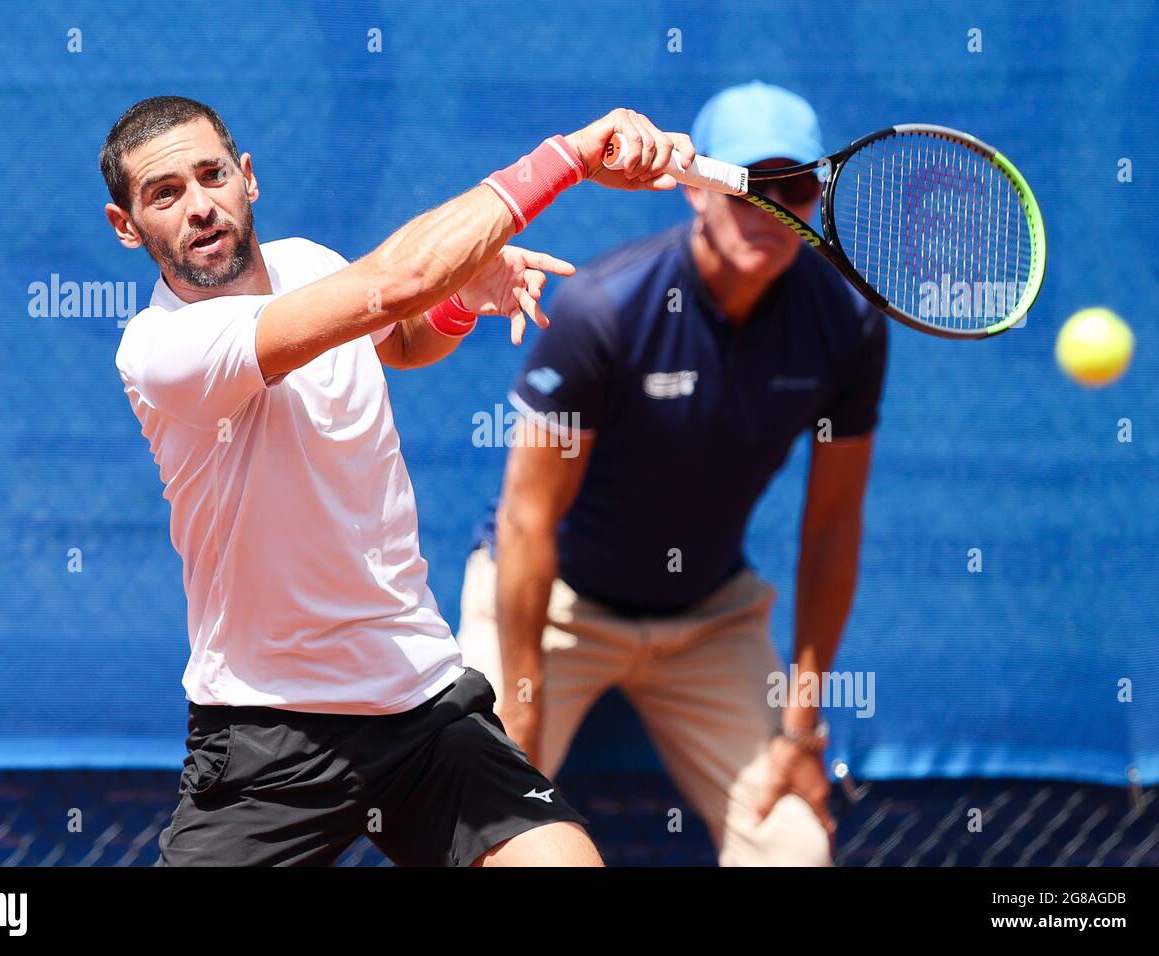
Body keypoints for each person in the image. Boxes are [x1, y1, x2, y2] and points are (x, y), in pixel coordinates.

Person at [101, 95, 695, 866]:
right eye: (165, 194)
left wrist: (457, 305)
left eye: (212, 176)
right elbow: (397, 282)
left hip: (420, 703)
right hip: (264, 735)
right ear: (128, 226)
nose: (200, 207)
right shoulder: (161, 349)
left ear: (248, 179)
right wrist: (573, 156)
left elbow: (402, 335)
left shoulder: (310, 263)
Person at [456, 82, 888, 866]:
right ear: (697, 190)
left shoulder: (848, 325)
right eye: (750, 186)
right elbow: (526, 522)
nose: (770, 208)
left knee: (795, 849)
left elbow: (831, 529)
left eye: (794, 188)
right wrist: (521, 709)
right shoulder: (604, 311)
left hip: (709, 621)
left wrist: (802, 728)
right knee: (480, 837)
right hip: (551, 606)